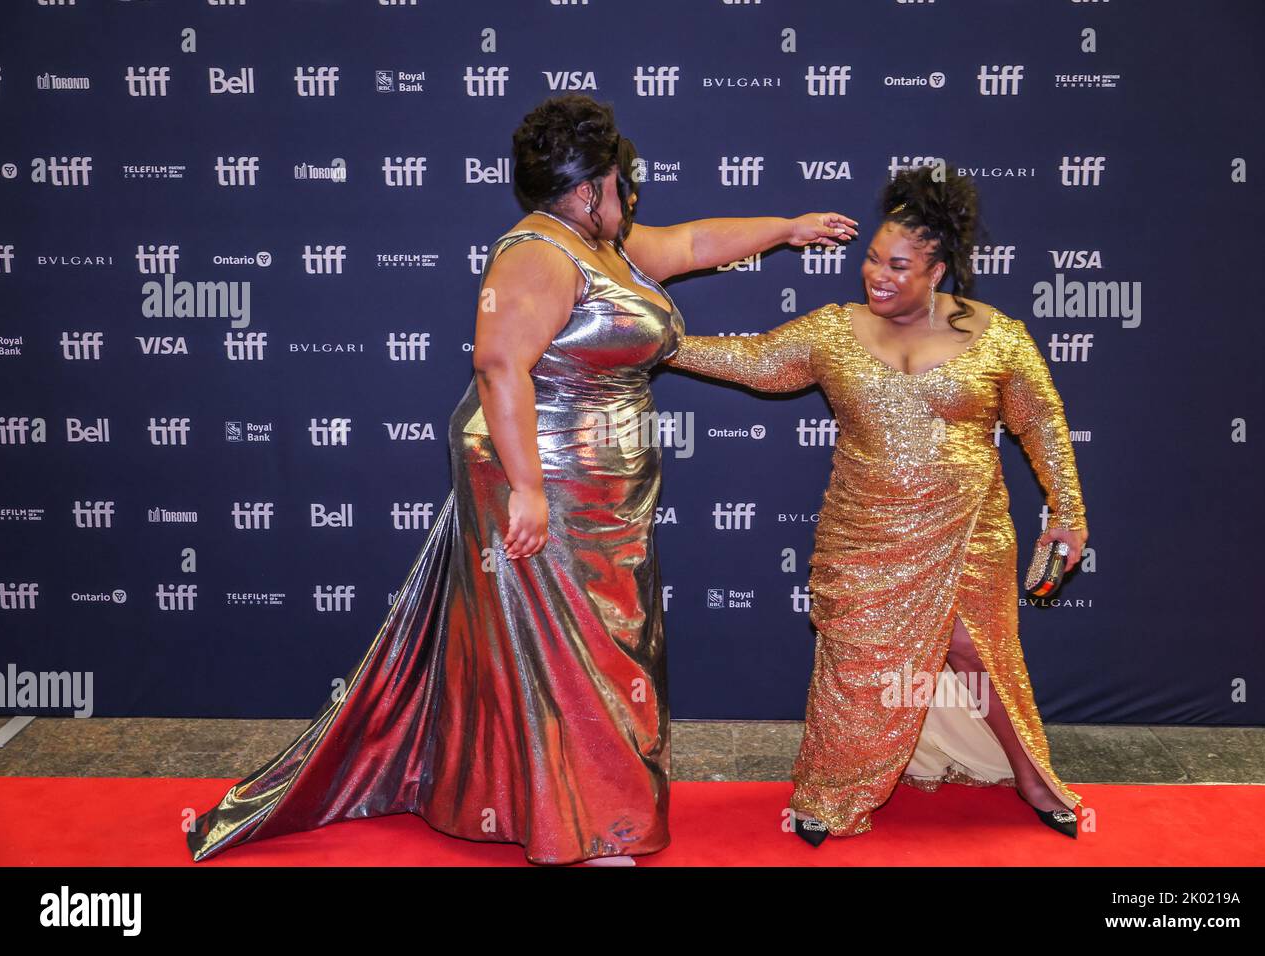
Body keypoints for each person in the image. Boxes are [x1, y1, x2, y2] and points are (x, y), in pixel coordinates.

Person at [185, 93, 857, 866]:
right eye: (620, 183)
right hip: (542, 472)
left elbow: (697, 240)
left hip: (603, 487)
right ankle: (588, 827)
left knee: (603, 644)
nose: (632, 196)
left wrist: (788, 229)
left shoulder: (603, 241)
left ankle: (582, 804)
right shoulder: (538, 252)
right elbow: (500, 365)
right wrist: (529, 490)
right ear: (585, 190)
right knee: (572, 651)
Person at [661, 163, 1089, 843]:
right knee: (855, 665)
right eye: (870, 260)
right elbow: (760, 362)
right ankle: (831, 792)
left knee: (976, 653)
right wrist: (667, 346)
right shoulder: (835, 330)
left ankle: (1032, 777)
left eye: (897, 266)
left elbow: (1040, 420)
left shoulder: (998, 334)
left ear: (936, 272)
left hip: (968, 532)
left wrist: (1067, 513)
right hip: (864, 533)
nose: (876, 276)